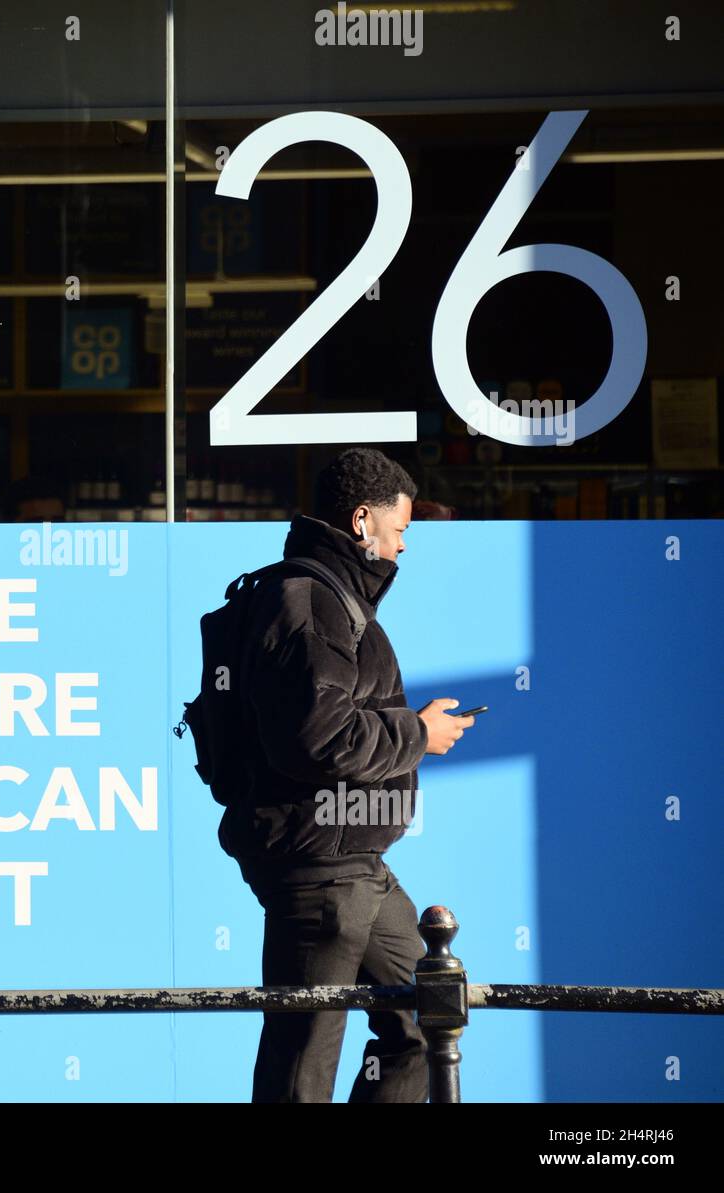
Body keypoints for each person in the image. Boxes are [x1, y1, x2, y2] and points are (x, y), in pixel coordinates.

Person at [218, 447, 476, 1103]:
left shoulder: (327, 595)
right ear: (363, 521)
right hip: (318, 865)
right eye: (401, 529)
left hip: (354, 858)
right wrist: (418, 734)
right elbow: (317, 736)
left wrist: (414, 729)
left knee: (424, 1023)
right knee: (301, 1068)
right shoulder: (309, 601)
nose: (404, 546)